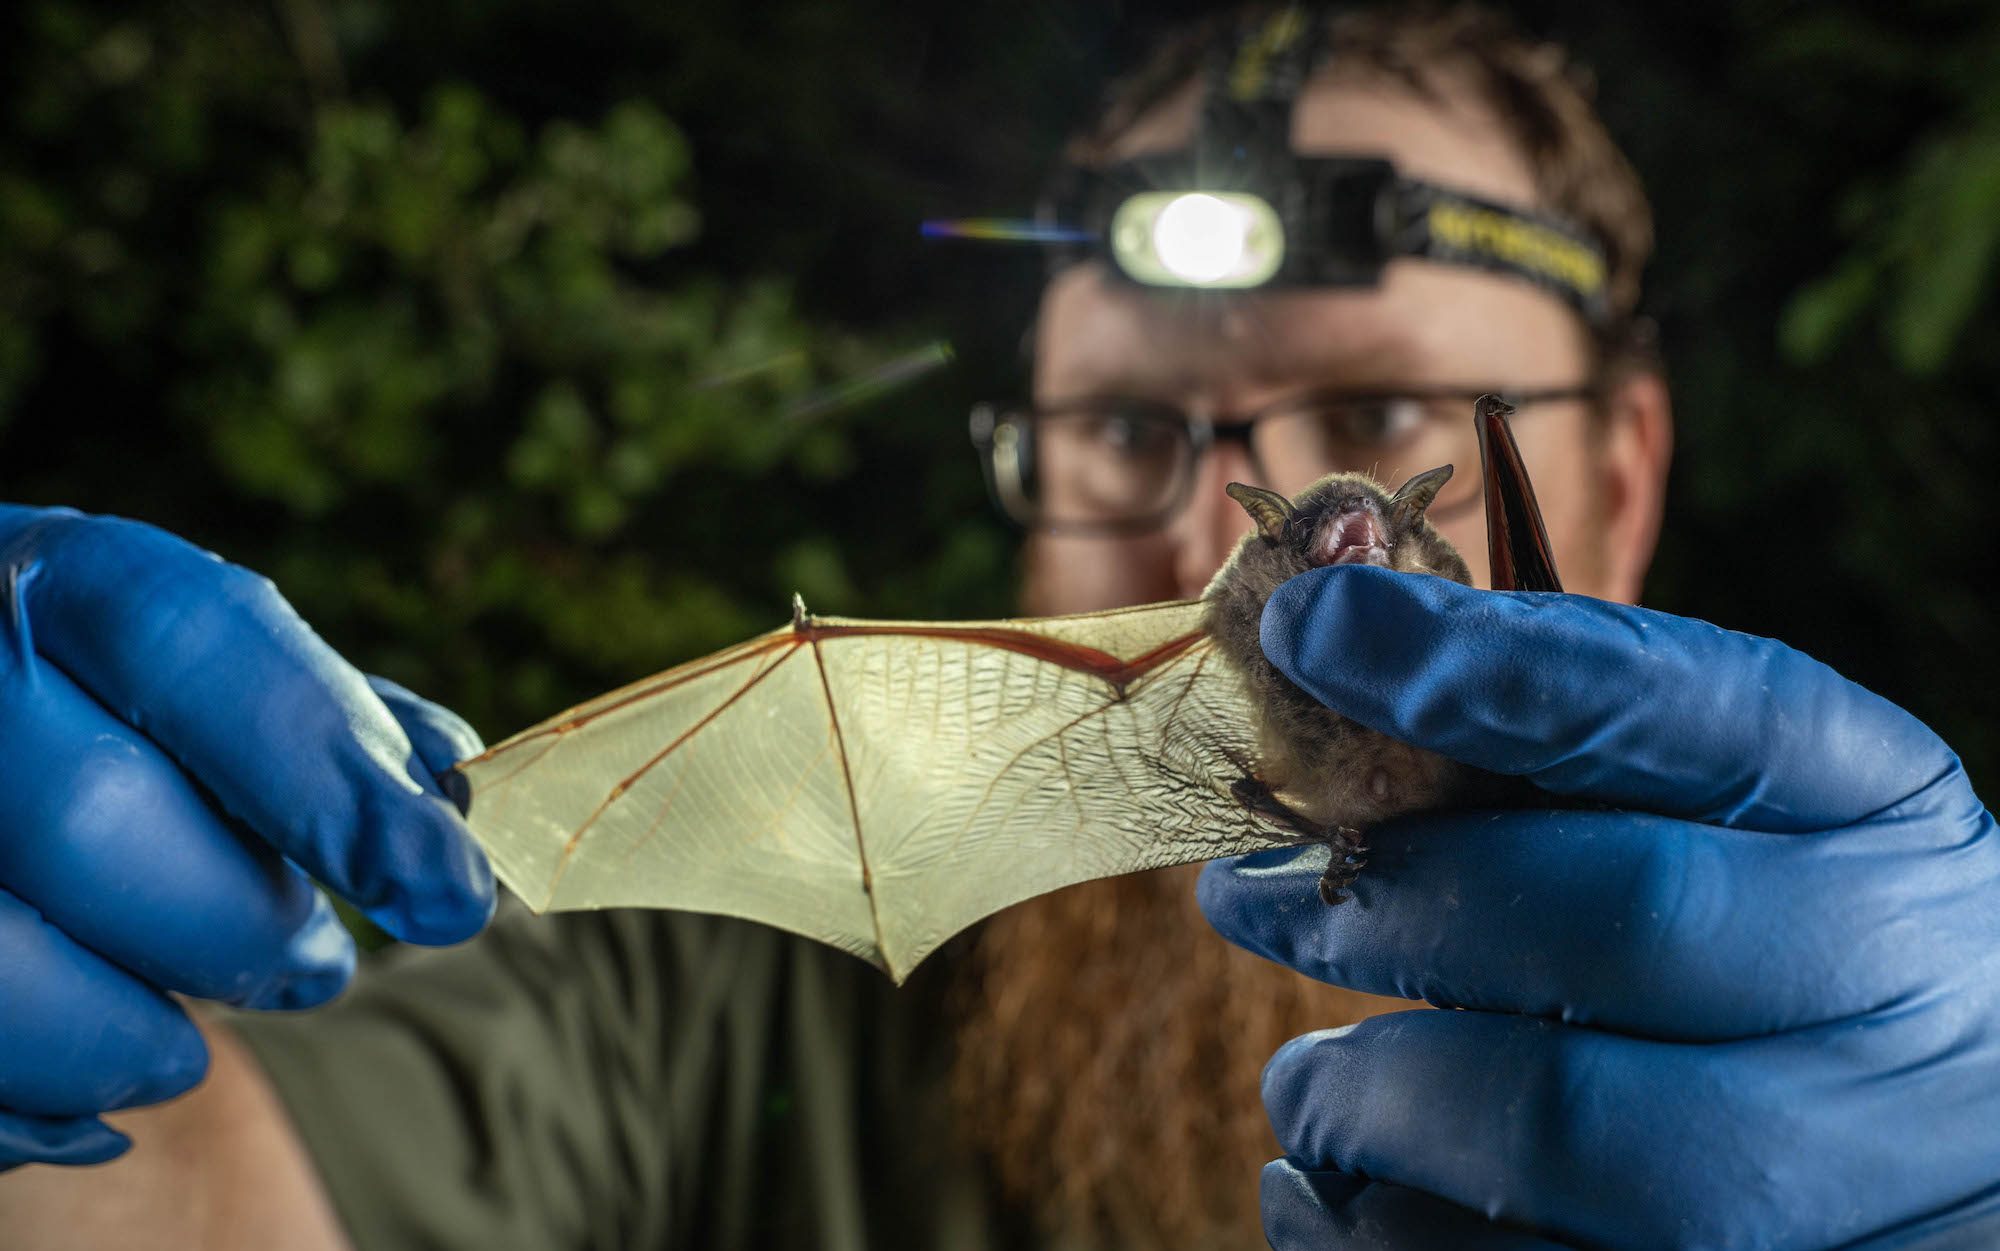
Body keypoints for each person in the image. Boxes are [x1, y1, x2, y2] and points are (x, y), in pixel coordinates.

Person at [2, 6, 1997, 1249]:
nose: (1252, 489)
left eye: (1386, 417)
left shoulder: (1882, 1021)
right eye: (1124, 419)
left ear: (1612, 478)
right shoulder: (723, 1012)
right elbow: (201, 1195)